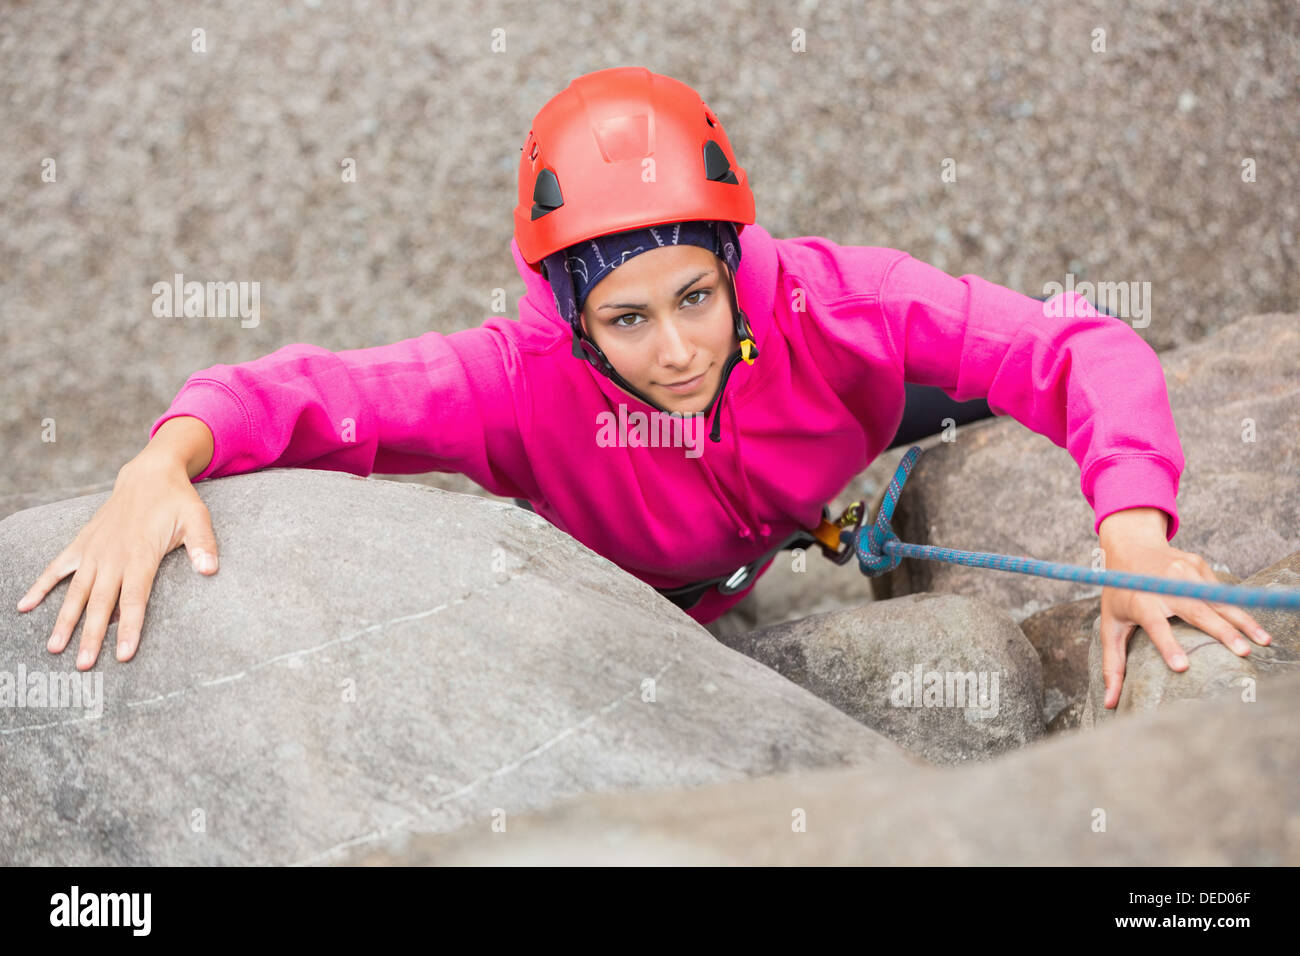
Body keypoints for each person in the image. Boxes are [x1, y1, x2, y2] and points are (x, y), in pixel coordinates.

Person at [16, 66, 1270, 712]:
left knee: (983, 380)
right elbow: (299, 392)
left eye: (694, 297)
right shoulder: (507, 385)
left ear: (737, 265)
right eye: (624, 317)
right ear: (567, 313)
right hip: (658, 595)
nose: (670, 348)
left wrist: (1129, 528)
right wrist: (154, 467)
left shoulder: (839, 303)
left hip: (831, 435)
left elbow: (1078, 347)